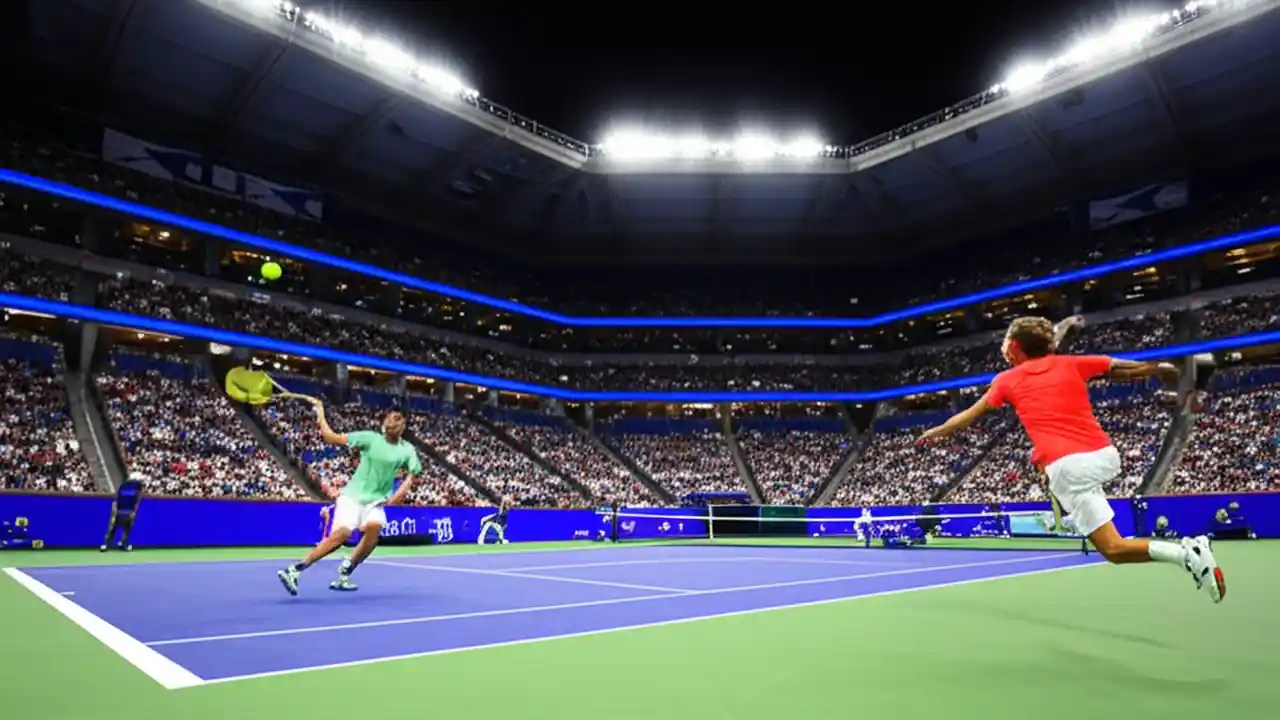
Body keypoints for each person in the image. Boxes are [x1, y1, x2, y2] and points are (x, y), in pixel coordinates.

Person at [919, 315, 1226, 603]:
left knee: (1043, 465)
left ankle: (1056, 501)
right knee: (1113, 549)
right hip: (1104, 457)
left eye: (1006, 341)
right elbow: (1121, 368)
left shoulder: (1007, 380)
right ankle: (1186, 554)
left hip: (1067, 468)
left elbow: (969, 415)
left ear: (1015, 347)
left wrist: (937, 431)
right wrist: (1158, 368)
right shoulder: (1072, 364)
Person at [277, 405, 422, 594]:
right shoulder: (370, 438)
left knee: (373, 531)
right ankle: (295, 570)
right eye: (388, 418)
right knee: (342, 536)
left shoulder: (407, 450)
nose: (390, 422)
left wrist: (399, 493)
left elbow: (414, 473)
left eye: (396, 418)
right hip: (352, 497)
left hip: (375, 502)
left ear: (404, 424)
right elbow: (331, 438)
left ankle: (346, 570)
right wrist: (320, 414)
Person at [100, 473, 144, 552]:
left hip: (121, 511)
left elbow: (117, 498)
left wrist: (114, 510)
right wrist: (134, 512)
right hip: (126, 512)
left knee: (114, 529)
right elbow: (136, 501)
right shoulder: (137, 488)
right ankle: (122, 544)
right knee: (125, 529)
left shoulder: (123, 486)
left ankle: (107, 544)